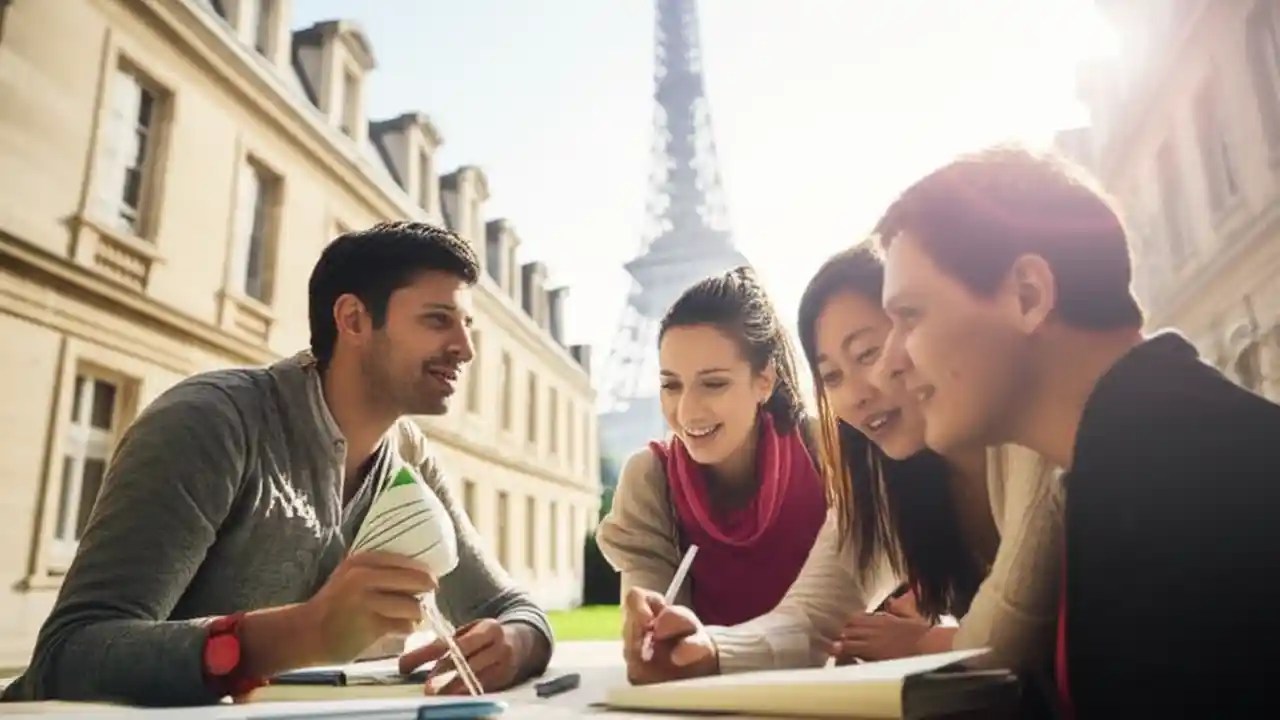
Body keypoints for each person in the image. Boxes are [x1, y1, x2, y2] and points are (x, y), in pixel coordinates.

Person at [1, 221, 552, 706]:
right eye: (438, 320)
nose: (465, 348)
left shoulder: (407, 454)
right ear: (354, 320)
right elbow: (68, 655)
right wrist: (302, 633)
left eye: (466, 327)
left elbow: (511, 608)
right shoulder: (212, 423)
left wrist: (516, 642)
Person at [873, 144, 1280, 716]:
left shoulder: (1172, 494)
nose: (889, 362)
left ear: (1028, 295)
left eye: (910, 316)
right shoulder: (1141, 457)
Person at [618, 246, 1063, 687]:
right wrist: (709, 649)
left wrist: (928, 642)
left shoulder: (1025, 434)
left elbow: (1009, 632)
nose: (856, 394)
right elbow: (810, 621)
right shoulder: (883, 480)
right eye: (831, 376)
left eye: (868, 354)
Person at [594, 267, 828, 681]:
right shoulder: (650, 478)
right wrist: (648, 628)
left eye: (714, 384)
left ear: (764, 381)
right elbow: (658, 625)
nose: (686, 413)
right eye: (671, 385)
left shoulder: (824, 450)